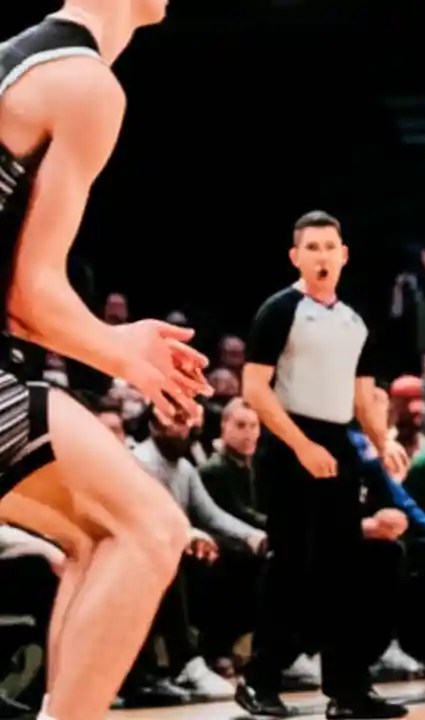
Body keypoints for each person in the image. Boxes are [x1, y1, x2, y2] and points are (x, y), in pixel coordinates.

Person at [0, 4, 213, 720]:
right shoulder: (84, 81)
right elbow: (31, 295)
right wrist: (123, 351)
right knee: (149, 529)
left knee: (100, 538)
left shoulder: (21, 60)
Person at [237, 210, 410, 719]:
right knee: (290, 570)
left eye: (329, 246)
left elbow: (362, 394)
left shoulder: (353, 320)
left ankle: (348, 690)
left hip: (339, 443)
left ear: (344, 254)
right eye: (311, 247)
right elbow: (253, 388)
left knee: (347, 574)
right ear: (296, 256)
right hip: (288, 444)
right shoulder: (280, 310)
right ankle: (259, 682)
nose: (321, 256)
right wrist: (300, 445)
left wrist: (384, 442)